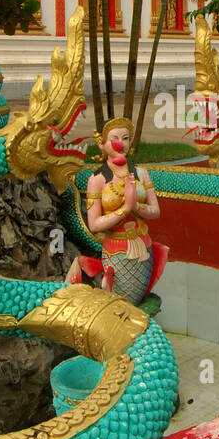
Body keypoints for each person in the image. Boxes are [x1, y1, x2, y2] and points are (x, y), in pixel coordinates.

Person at [67, 117, 168, 303]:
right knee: (118, 302)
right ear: (102, 144)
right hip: (116, 251)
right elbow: (94, 224)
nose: (120, 144)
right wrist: (125, 209)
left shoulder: (141, 174)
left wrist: (136, 207)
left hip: (143, 248)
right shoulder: (96, 180)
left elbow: (156, 211)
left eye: (125, 138)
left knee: (137, 302)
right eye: (115, 138)